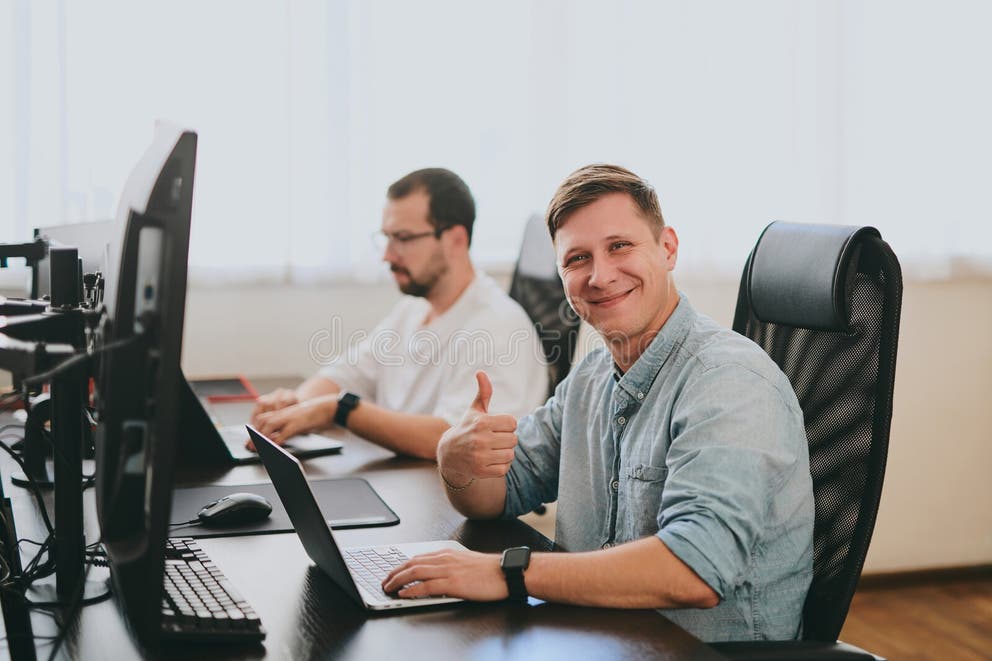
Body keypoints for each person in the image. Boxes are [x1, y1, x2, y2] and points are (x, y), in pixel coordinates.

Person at [382, 164, 815, 642]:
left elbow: (695, 568)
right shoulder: (589, 377)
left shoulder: (727, 381)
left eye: (619, 246)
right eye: (577, 259)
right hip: (597, 638)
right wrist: (457, 462)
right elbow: (496, 496)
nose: (600, 275)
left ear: (667, 248)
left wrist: (505, 572)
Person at [249, 168, 548, 460]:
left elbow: (456, 440)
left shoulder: (498, 326)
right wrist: (296, 406)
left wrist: (338, 410)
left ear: (455, 240)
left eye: (403, 239)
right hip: (401, 476)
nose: (387, 255)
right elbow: (346, 374)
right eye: (387, 237)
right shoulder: (415, 308)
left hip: (446, 497)